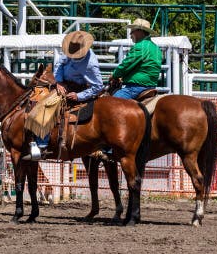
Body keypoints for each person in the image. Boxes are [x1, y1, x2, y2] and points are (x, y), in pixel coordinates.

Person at [22, 31, 103, 161]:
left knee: (46, 107)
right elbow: (59, 64)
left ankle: (42, 146)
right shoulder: (70, 51)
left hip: (78, 88)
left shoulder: (90, 64)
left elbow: (98, 86)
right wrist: (59, 81)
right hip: (63, 84)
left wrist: (79, 96)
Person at [109, 18, 163, 100]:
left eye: (132, 31)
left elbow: (126, 65)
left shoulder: (140, 46)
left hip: (136, 87)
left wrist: (115, 75)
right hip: (151, 85)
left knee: (111, 103)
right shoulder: (156, 48)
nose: (130, 34)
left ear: (139, 31)